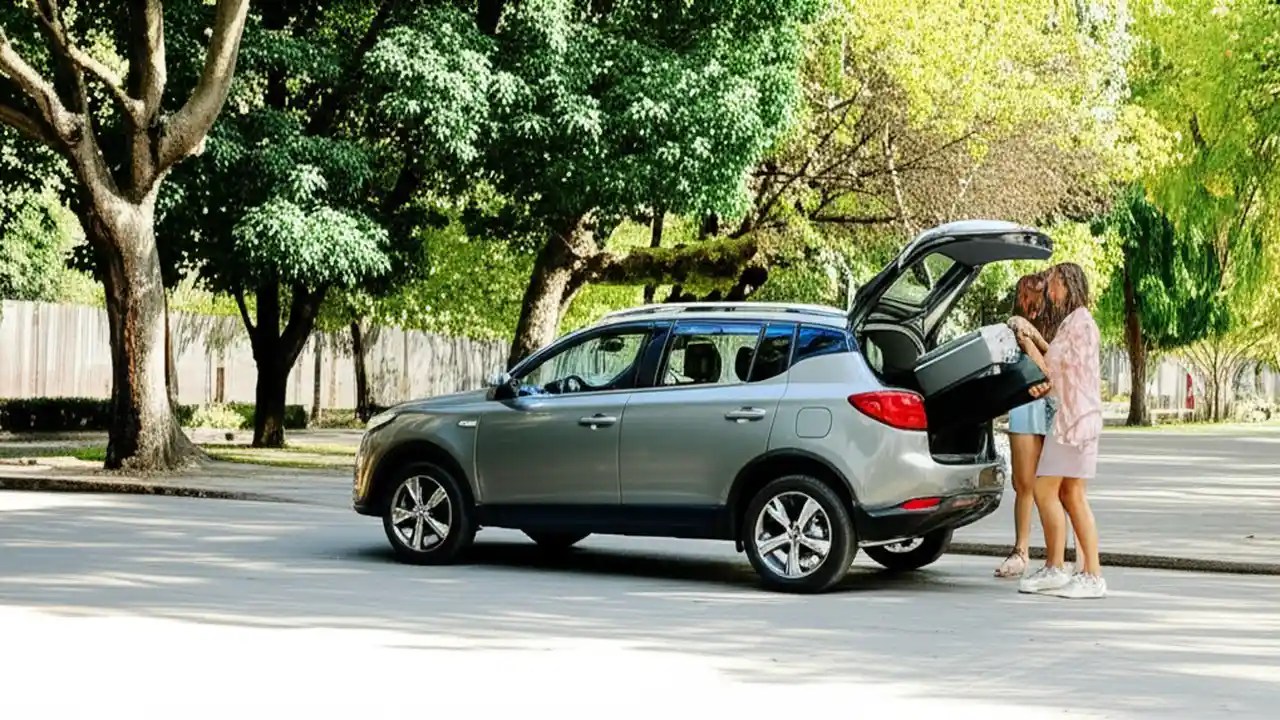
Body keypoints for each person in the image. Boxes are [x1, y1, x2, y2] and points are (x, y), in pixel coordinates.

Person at [1010, 262, 1106, 599]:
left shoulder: (1079, 323)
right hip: (1074, 419)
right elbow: (1059, 372)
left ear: (1068, 284)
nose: (1049, 292)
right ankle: (1063, 568)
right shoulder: (1076, 322)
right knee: (1067, 494)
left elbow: (1049, 366)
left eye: (1054, 284)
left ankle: (1083, 572)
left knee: (1046, 490)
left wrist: (1027, 339)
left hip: (1074, 422)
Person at [994, 273, 1056, 578]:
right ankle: (1021, 550)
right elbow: (1020, 334)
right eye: (1027, 295)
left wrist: (1036, 340)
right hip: (1025, 402)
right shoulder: (1015, 322)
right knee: (1024, 483)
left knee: (1056, 485)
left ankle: (1055, 555)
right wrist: (1028, 335)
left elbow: (1053, 363)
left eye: (1038, 294)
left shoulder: (1062, 323)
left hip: (1054, 402)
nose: (1032, 302)